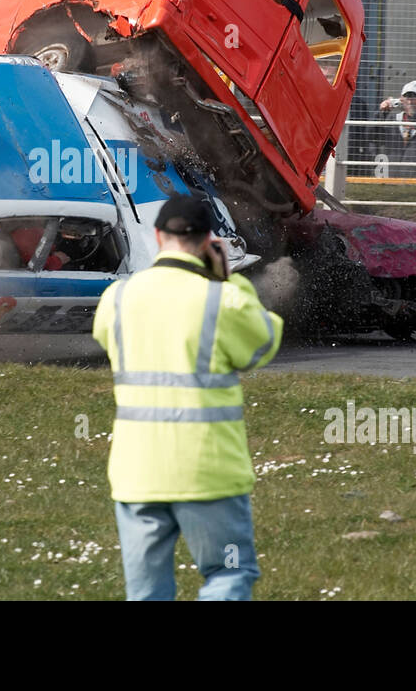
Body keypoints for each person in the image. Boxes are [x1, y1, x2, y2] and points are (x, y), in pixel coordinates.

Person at [92, 194, 283, 601]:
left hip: (138, 475)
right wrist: (227, 279)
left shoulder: (118, 299)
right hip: (209, 475)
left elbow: (107, 340)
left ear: (158, 235)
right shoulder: (222, 298)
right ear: (209, 240)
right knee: (229, 574)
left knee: (146, 591)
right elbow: (261, 344)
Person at [376, 80, 416, 179]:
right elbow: (372, 136)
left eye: (414, 97)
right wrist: (382, 113)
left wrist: (414, 116)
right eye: (407, 97)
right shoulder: (392, 120)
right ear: (401, 99)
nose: (410, 101)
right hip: (391, 178)